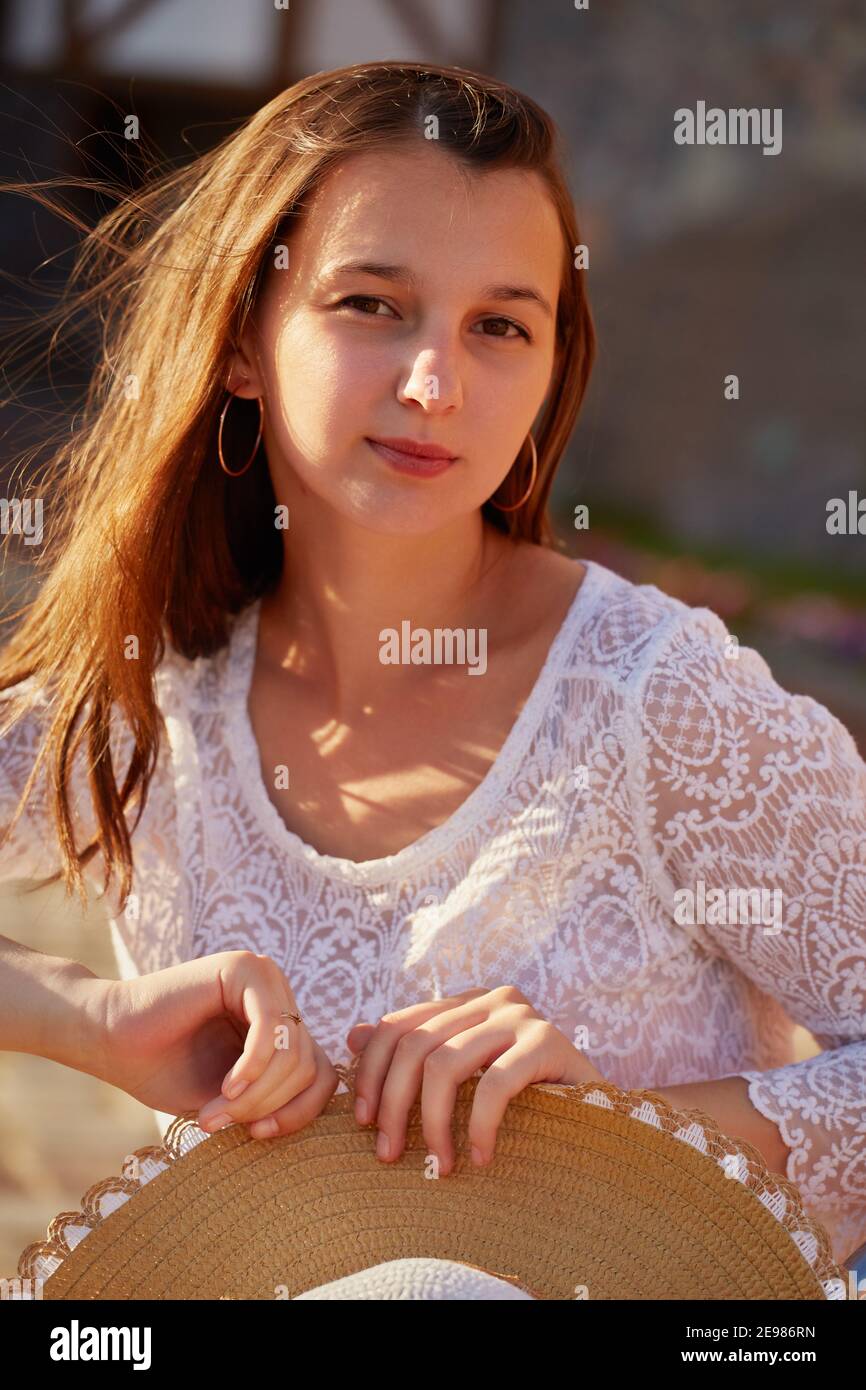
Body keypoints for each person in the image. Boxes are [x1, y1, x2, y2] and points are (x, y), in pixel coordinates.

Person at [0, 61, 864, 1272]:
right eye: (371, 304)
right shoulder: (150, 697)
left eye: (499, 325)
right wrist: (88, 1015)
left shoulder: (653, 699)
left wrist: (618, 1138)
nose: (434, 385)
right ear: (242, 340)